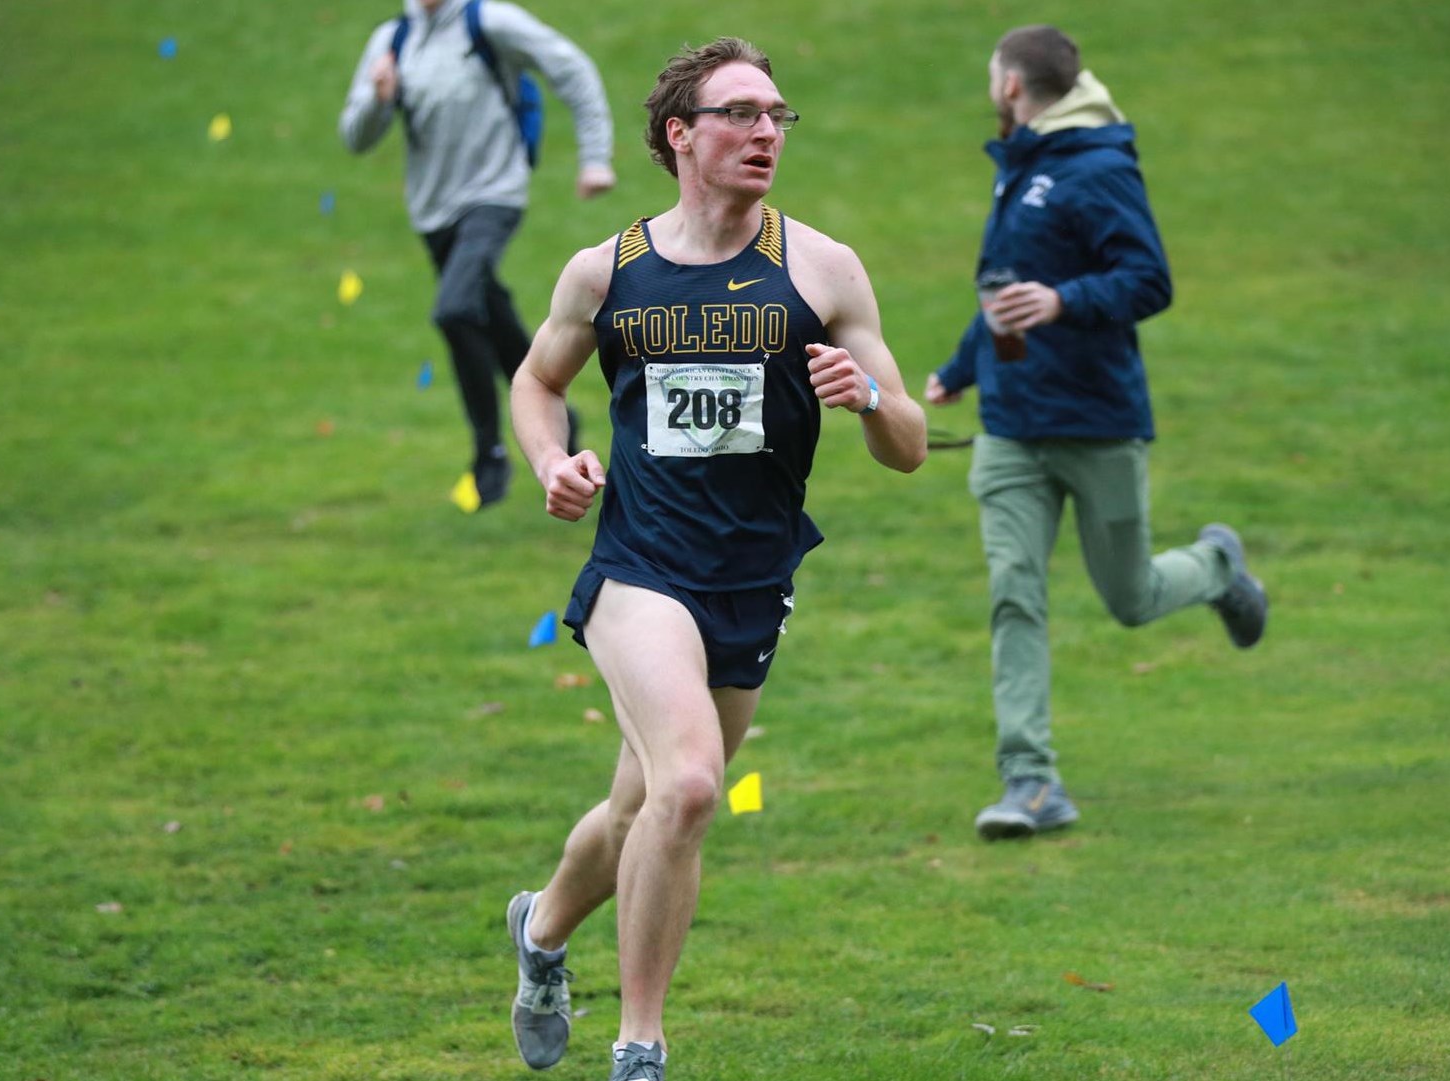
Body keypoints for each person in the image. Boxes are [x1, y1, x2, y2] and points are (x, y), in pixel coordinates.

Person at [502, 38, 927, 1081]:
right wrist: (553, 461)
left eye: (778, 115)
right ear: (679, 135)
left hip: (753, 578)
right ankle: (640, 1045)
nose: (767, 133)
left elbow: (909, 444)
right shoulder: (606, 271)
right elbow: (536, 379)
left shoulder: (820, 268)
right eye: (741, 114)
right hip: (641, 568)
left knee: (640, 807)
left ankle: (541, 932)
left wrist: (867, 399)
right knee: (691, 786)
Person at [925, 25, 1268, 842]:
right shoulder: (1020, 168)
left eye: (990, 79)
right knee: (1014, 592)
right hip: (1009, 426)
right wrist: (961, 367)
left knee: (1130, 598)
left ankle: (1216, 565)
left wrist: (1062, 302)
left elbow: (1147, 280)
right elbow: (1002, 291)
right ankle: (1031, 781)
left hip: (1097, 421)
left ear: (1011, 85)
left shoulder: (1097, 169)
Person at [339, 0, 616, 506]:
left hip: (494, 195)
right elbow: (355, 137)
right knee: (487, 313)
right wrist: (380, 99)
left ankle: (489, 449)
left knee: (455, 309)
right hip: (432, 212)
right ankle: (561, 419)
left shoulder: (490, 22)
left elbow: (570, 67)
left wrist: (595, 158)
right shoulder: (392, 40)